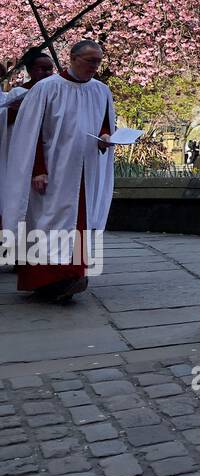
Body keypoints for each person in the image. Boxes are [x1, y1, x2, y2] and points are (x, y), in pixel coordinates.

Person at [2, 41, 114, 302]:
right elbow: (32, 133)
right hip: (53, 170)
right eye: (89, 61)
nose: (94, 67)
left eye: (97, 62)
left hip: (84, 171)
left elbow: (105, 125)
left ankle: (71, 276)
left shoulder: (101, 91)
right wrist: (38, 170)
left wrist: (105, 137)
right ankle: (44, 280)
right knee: (46, 223)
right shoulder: (46, 89)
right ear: (73, 59)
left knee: (77, 224)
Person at [0, 49, 55, 273]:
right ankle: (15, 253)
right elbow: (7, 118)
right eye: (41, 68)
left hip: (47, 153)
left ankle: (33, 254)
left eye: (49, 68)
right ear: (30, 70)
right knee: (19, 204)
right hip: (18, 154)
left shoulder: (55, 89)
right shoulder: (20, 93)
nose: (45, 72)